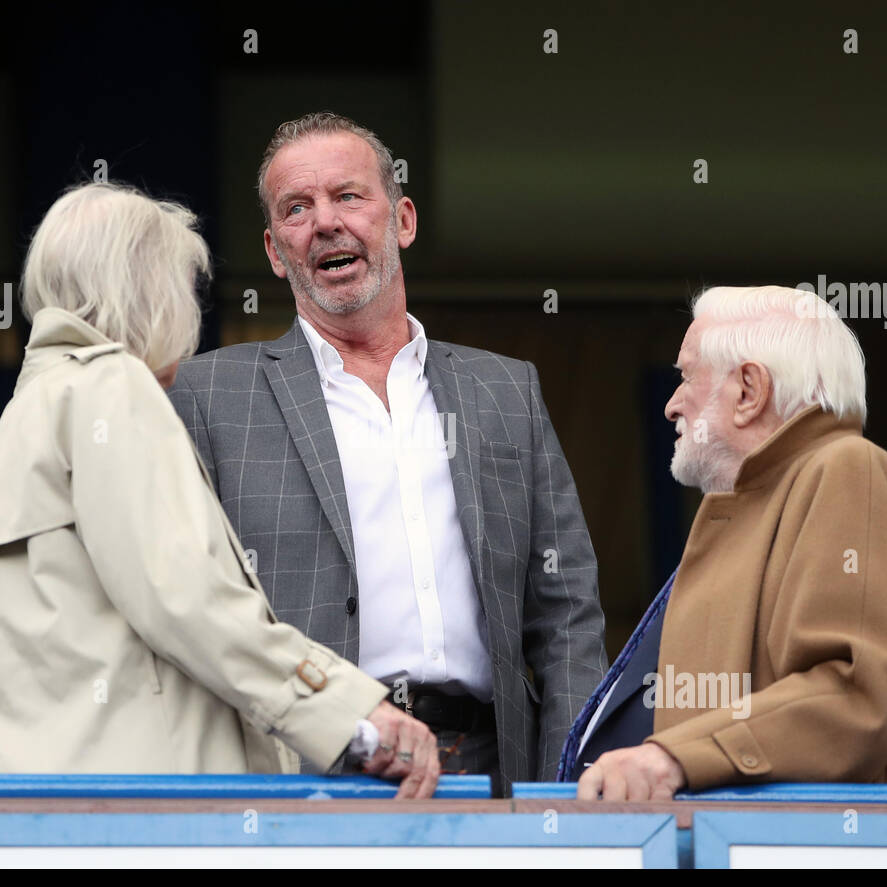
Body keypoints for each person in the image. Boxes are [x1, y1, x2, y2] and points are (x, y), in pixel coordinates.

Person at [170, 113, 607, 795]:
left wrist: (563, 786)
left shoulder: (504, 390)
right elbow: (189, 606)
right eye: (297, 208)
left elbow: (566, 615)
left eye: (348, 196)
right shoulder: (210, 393)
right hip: (303, 775)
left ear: (402, 220)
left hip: (491, 768)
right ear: (276, 251)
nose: (325, 222)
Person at [0, 182, 440, 797]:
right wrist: (348, 711)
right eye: (184, 287)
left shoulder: (23, 417)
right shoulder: (110, 387)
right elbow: (185, 595)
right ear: (145, 286)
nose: (189, 313)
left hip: (47, 814)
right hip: (153, 818)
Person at [560, 285, 887, 800]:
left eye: (686, 377)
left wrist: (673, 758)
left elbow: (858, 693)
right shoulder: (771, 499)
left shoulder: (848, 470)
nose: (672, 406)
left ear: (749, 391)